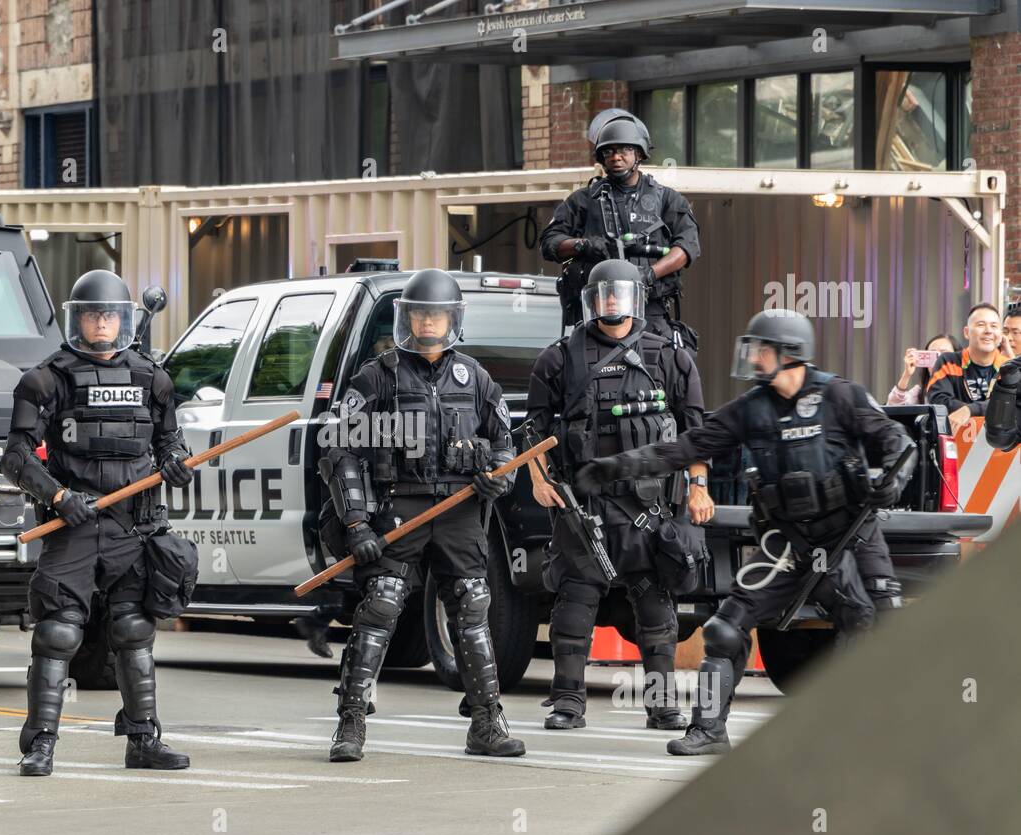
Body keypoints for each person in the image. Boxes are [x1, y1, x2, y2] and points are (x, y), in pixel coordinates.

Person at [581, 309, 915, 755]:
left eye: (763, 350)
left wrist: (891, 480)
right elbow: (683, 449)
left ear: (790, 354)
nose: (755, 359)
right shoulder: (750, 409)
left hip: (850, 537)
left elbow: (899, 442)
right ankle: (708, 731)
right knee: (724, 630)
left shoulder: (841, 396)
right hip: (788, 545)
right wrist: (611, 468)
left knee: (875, 624)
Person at [321, 268, 525, 762]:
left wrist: (498, 477)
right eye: (420, 315)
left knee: (473, 609)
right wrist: (355, 523)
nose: (428, 324)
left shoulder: (475, 377)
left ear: (452, 319)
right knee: (382, 604)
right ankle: (350, 722)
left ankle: (486, 723)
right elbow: (337, 449)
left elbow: (505, 445)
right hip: (400, 506)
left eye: (436, 315)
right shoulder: (377, 376)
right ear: (406, 318)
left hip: (459, 510)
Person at [1, 269, 197, 777]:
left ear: (124, 320)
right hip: (76, 525)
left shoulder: (152, 377)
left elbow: (169, 442)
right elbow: (17, 458)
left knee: (133, 630)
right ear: (78, 320)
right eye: (92, 316)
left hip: (135, 526)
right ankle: (40, 743)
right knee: (57, 633)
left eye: (110, 315)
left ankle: (144, 740)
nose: (102, 324)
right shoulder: (46, 379)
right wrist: (59, 495)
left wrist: (177, 462)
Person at [526, 258, 711, 732]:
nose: (611, 302)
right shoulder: (560, 357)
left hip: (652, 508)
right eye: (603, 294)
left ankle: (662, 704)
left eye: (619, 293)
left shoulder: (669, 356)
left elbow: (695, 433)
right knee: (574, 605)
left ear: (636, 299)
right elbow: (533, 432)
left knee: (656, 609)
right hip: (585, 506)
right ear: (591, 300)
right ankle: (567, 702)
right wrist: (539, 479)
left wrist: (698, 486)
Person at [540, 108, 701, 352]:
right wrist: (583, 245)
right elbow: (550, 242)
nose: (616, 157)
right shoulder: (583, 200)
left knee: (671, 367)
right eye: (609, 151)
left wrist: (649, 274)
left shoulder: (666, 199)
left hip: (651, 312)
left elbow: (687, 247)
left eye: (624, 150)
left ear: (639, 154)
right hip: (597, 312)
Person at [926, 304, 1008, 433]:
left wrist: (970, 410)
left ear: (1000, 333)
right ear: (966, 332)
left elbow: (1009, 404)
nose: (988, 331)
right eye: (981, 325)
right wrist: (984, 410)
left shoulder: (1009, 367)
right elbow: (939, 401)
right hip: (955, 444)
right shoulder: (947, 361)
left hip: (1001, 449)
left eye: (994, 326)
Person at [886, 334, 959, 405]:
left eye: (944, 354)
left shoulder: (967, 387)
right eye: (932, 355)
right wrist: (906, 374)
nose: (938, 360)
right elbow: (893, 408)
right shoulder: (920, 392)